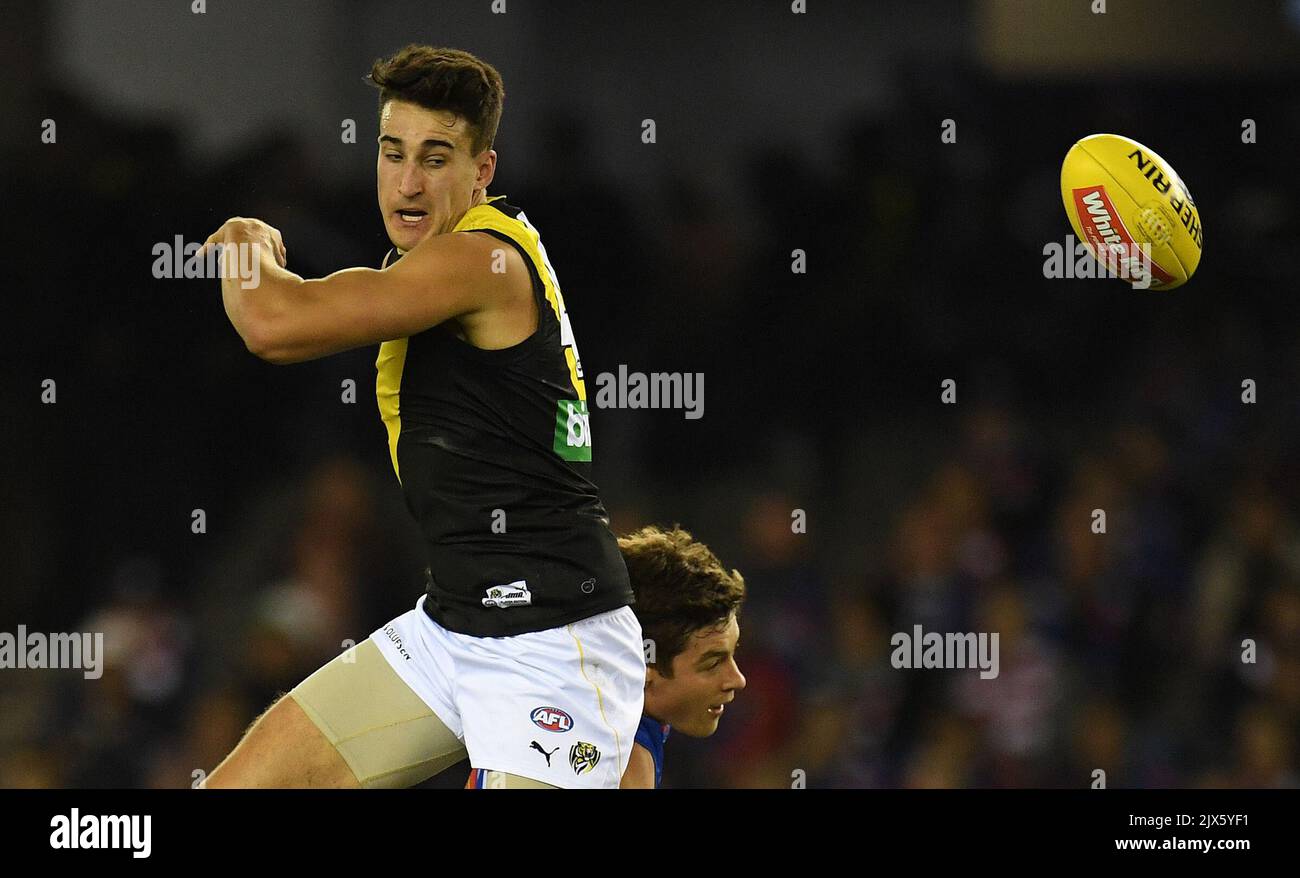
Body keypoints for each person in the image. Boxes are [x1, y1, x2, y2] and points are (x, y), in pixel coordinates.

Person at [200, 45, 643, 790]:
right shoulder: (429, 269)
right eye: (391, 153)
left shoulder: (477, 262)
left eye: (436, 158)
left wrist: (247, 242)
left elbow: (272, 323)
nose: (407, 182)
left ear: (483, 173)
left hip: (556, 642)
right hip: (455, 627)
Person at [465, 525, 747, 788]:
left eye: (732, 654)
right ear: (644, 671)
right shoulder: (623, 764)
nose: (737, 680)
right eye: (712, 663)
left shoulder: (563, 687)